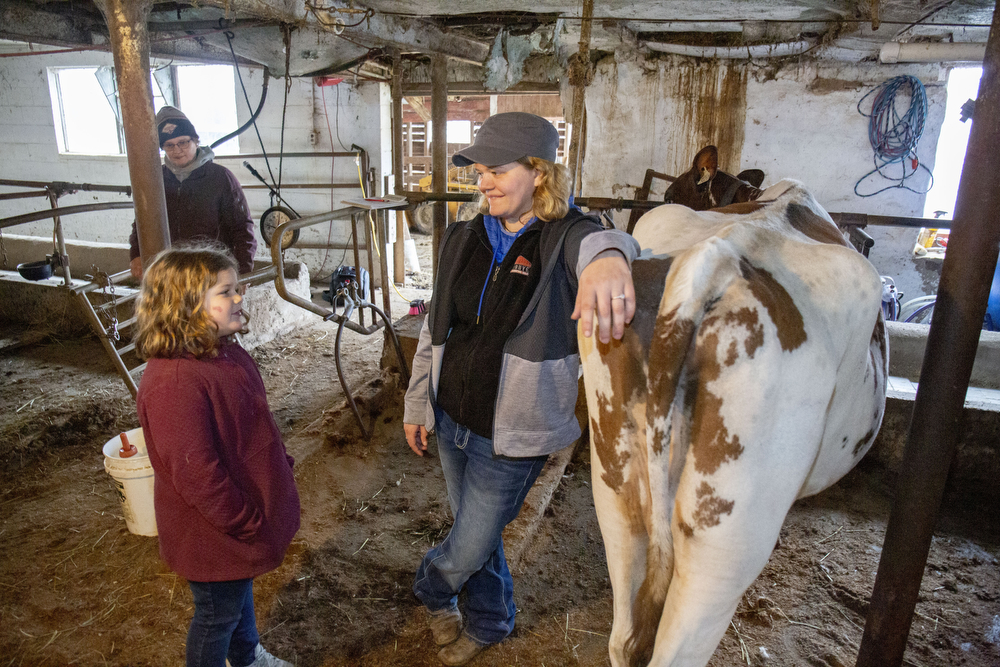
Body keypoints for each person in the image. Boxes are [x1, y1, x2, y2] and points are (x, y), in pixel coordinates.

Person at [402, 112, 639, 666]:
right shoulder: (463, 237)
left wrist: (609, 259)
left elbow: (603, 242)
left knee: (468, 544)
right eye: (479, 171)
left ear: (538, 172)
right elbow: (436, 327)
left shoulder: (566, 238)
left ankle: (432, 590)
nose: (482, 182)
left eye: (497, 170)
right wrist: (419, 402)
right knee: (479, 539)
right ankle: (490, 621)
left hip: (515, 433)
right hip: (452, 418)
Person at [133, 244, 299, 667]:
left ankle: (247, 657)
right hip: (211, 528)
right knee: (215, 614)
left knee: (234, 589)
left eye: (237, 289)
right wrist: (241, 519)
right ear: (186, 307)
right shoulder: (175, 380)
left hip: (232, 517)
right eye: (226, 292)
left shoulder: (222, 351)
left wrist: (276, 463)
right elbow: (196, 474)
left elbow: (251, 423)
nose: (239, 299)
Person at [129, 107, 257, 279]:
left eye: (183, 142)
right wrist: (136, 254)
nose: (177, 150)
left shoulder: (220, 177)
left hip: (212, 270)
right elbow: (142, 222)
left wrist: (243, 271)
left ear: (196, 141)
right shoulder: (155, 179)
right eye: (169, 145)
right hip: (170, 271)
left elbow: (242, 228)